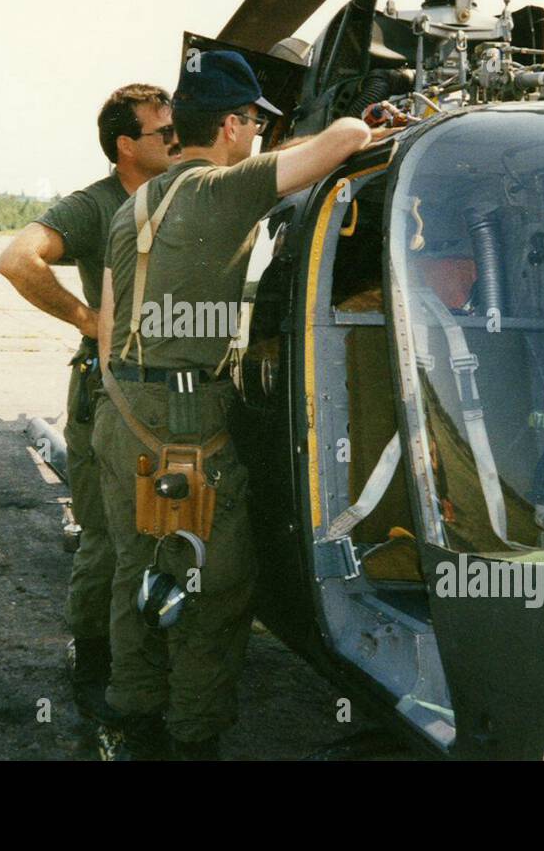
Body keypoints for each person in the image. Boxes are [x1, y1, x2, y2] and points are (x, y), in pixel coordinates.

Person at [93, 51, 373, 759]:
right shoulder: (224, 190)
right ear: (230, 123)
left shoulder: (137, 204)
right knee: (214, 584)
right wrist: (366, 122)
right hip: (184, 425)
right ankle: (192, 738)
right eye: (253, 121)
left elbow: (104, 323)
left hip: (120, 411)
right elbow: (345, 138)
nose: (256, 134)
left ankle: (133, 712)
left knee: (137, 567)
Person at [0, 84, 178, 726]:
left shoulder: (185, 189)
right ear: (127, 146)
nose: (177, 139)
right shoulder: (95, 206)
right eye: (164, 132)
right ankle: (94, 653)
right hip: (106, 394)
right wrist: (89, 322)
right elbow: (16, 259)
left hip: (173, 399)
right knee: (105, 535)